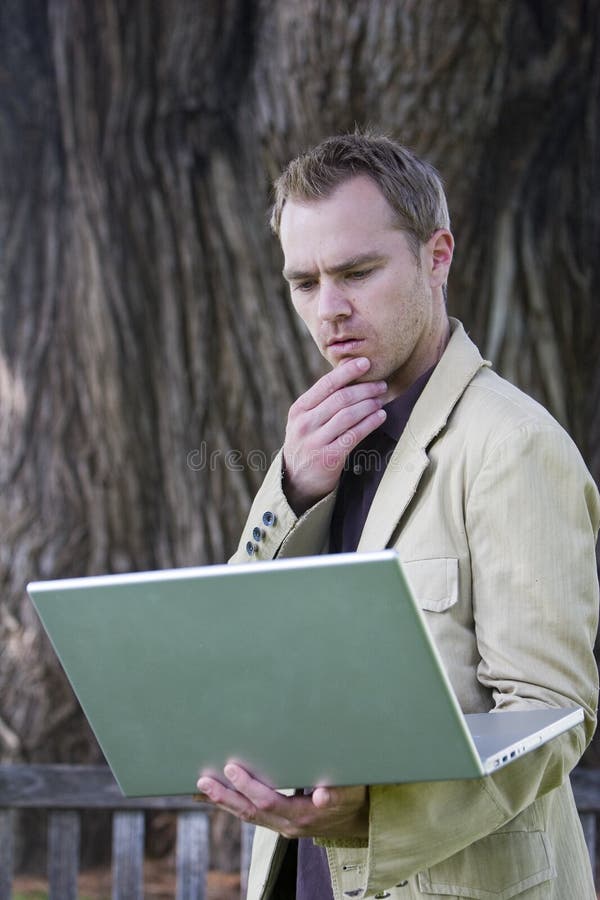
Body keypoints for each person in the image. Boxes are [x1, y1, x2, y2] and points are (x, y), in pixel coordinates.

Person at [196, 133, 600, 899]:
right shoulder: (310, 448)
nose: (330, 311)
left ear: (436, 255)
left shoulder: (514, 446)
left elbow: (554, 718)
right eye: (304, 282)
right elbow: (230, 648)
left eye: (357, 272)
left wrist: (377, 807)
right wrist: (292, 489)